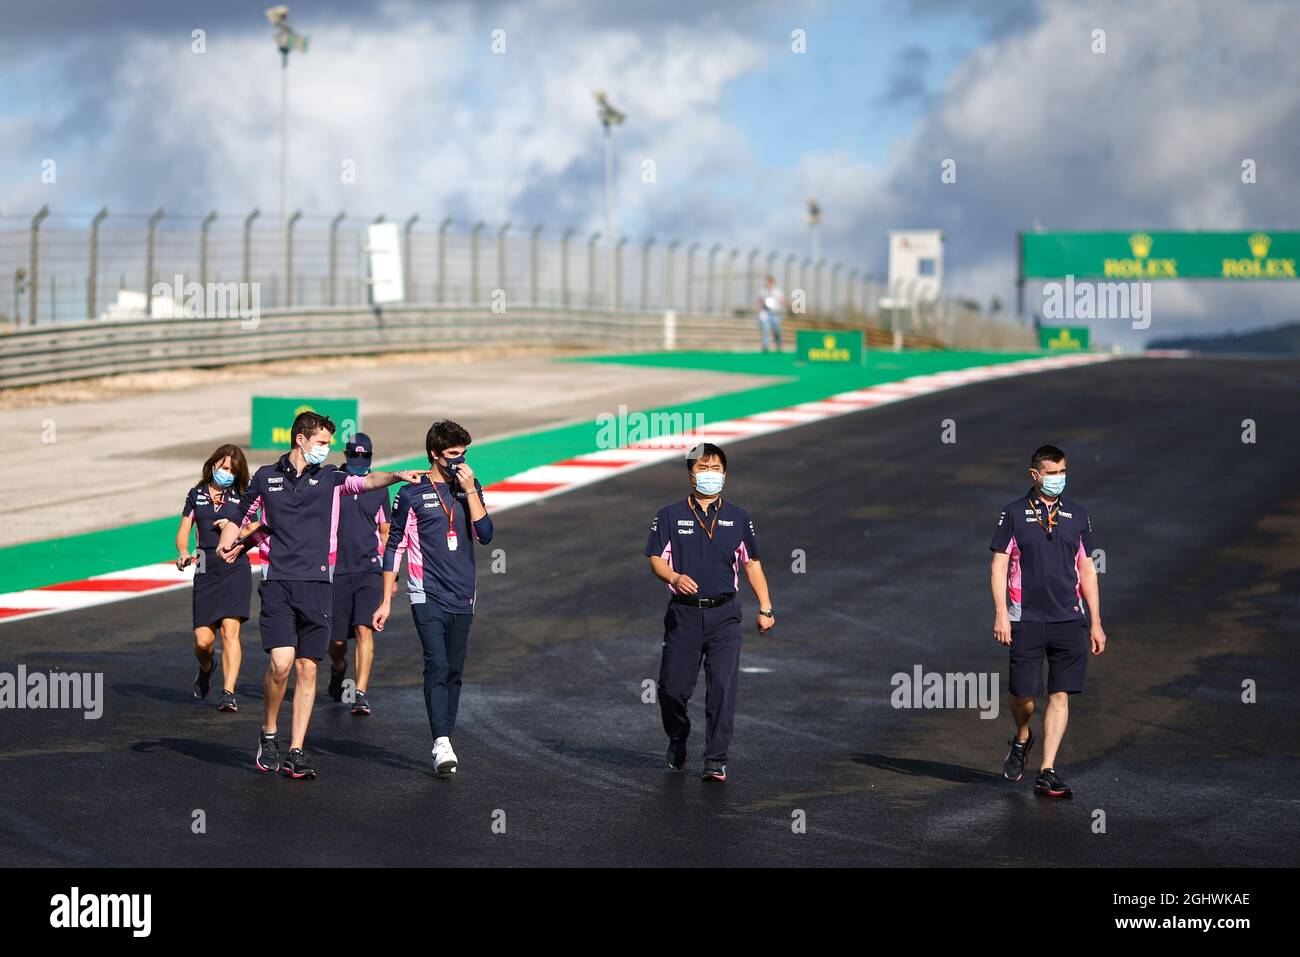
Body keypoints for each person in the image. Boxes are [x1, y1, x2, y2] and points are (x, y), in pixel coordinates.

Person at [217, 412, 423, 780]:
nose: (327, 450)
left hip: (319, 585)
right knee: (281, 665)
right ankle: (268, 733)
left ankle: (296, 750)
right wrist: (225, 542)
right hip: (278, 582)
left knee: (307, 667)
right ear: (301, 440)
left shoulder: (331, 478)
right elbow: (240, 512)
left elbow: (367, 480)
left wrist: (396, 476)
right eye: (323, 443)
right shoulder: (266, 477)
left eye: (329, 443)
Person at [644, 443, 775, 782]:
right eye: (704, 468)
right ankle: (678, 734)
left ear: (725, 474)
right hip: (684, 616)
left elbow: (753, 564)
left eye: (716, 468)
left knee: (722, 687)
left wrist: (766, 607)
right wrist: (673, 576)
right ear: (691, 475)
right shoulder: (669, 515)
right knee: (671, 690)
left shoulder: (739, 517)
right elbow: (656, 559)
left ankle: (716, 759)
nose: (711, 474)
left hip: (725, 616)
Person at [374, 420, 494, 776]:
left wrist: (471, 491)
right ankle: (440, 741)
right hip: (425, 593)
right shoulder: (410, 494)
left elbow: (485, 534)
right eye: (453, 455)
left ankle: (446, 736)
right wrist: (385, 599)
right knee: (437, 664)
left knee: (454, 670)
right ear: (434, 455)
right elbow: (394, 544)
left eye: (464, 454)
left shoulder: (469, 488)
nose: (460, 461)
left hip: (463, 594)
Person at [989, 444, 1107, 798]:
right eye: (1052, 473)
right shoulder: (1012, 514)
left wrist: (1096, 621)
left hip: (1070, 619)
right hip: (1026, 618)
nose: (1059, 479)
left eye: (1063, 472)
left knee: (1060, 694)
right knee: (1023, 694)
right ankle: (1023, 736)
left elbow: (1088, 570)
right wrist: (1000, 614)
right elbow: (997, 566)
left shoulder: (1078, 515)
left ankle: (1047, 771)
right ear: (1035, 475)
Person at [176, 444, 253, 713]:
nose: (226, 473)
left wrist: (236, 527)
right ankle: (207, 667)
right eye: (223, 467)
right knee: (203, 641)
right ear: (212, 466)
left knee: (231, 631)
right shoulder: (195, 495)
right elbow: (184, 530)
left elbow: (258, 524)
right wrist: (184, 552)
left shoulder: (243, 495)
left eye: (232, 470)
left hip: (235, 565)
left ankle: (228, 692)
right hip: (206, 567)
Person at [326, 433, 391, 717]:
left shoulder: (378, 487)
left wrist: (392, 578)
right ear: (346, 455)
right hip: (336, 571)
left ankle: (360, 694)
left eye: (365, 458)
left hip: (368, 569)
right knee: (337, 642)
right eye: (355, 457)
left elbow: (386, 532)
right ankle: (338, 668)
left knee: (364, 629)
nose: (360, 462)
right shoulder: (333, 481)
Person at [756, 275, 786, 352]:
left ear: (772, 282)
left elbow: (782, 300)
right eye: (767, 282)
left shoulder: (778, 291)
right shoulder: (762, 290)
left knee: (776, 329)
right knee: (765, 329)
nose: (768, 283)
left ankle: (779, 344)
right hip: (766, 312)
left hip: (775, 313)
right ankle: (765, 346)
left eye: (769, 282)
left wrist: (783, 305)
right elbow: (759, 300)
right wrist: (761, 305)